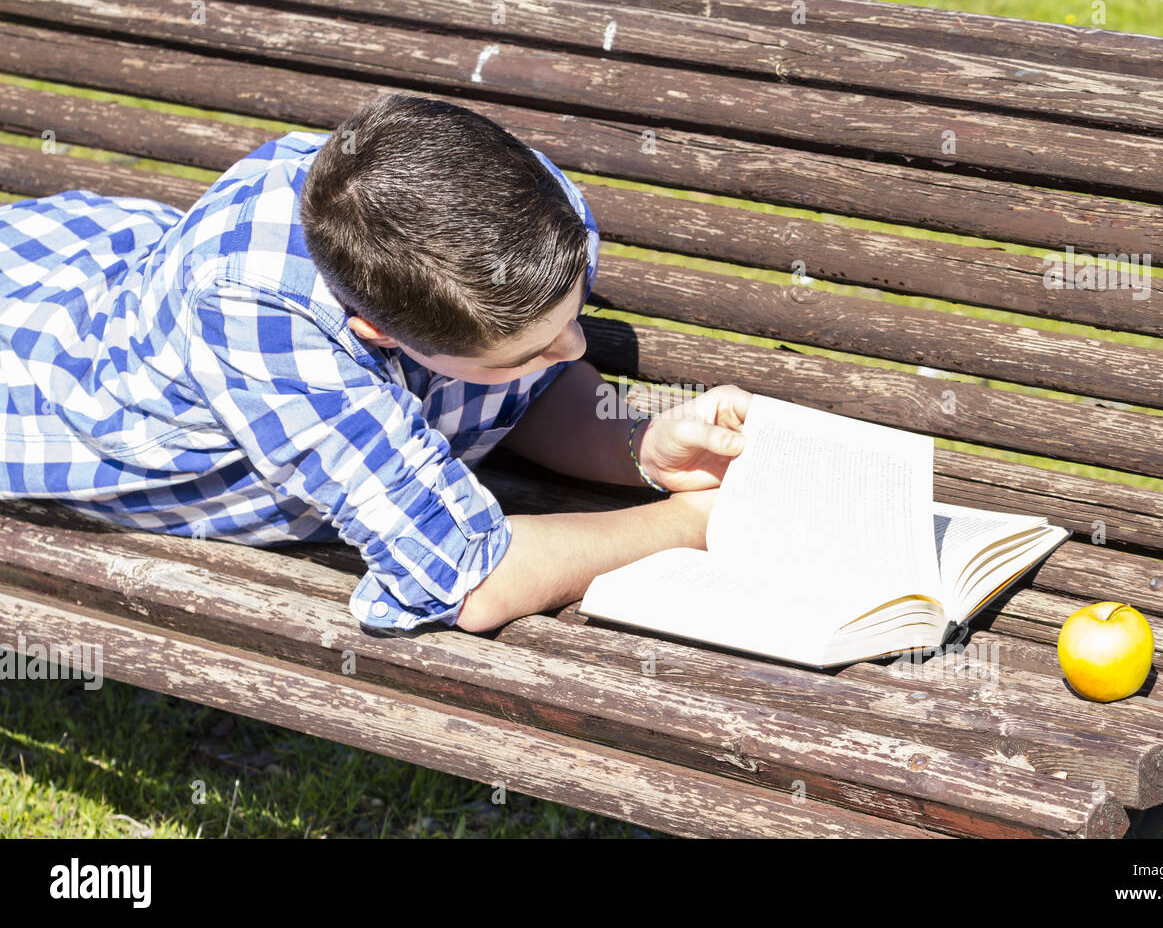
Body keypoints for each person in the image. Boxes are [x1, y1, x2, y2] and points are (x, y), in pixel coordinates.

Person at [0, 92, 750, 635]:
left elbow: (523, 389)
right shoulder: (267, 328)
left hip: (101, 261)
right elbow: (468, 577)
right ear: (375, 334)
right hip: (34, 370)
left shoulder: (534, 209)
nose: (577, 349)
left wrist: (639, 444)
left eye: (572, 315)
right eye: (530, 350)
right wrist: (690, 524)